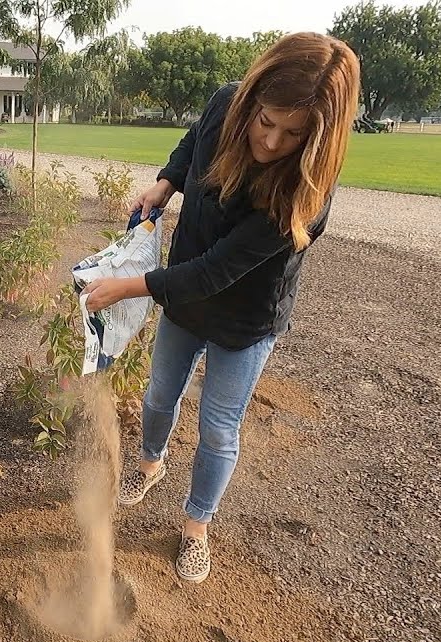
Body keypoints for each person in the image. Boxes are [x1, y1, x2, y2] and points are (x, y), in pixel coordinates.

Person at [81, 32, 361, 583]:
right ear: (253, 100)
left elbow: (215, 272)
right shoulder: (225, 102)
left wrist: (128, 286)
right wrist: (165, 182)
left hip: (244, 316)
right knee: (160, 395)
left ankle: (195, 528)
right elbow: (192, 144)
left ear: (318, 138)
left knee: (218, 427)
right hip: (185, 294)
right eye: (266, 121)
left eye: (293, 133)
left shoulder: (305, 195)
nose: (273, 141)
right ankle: (149, 465)